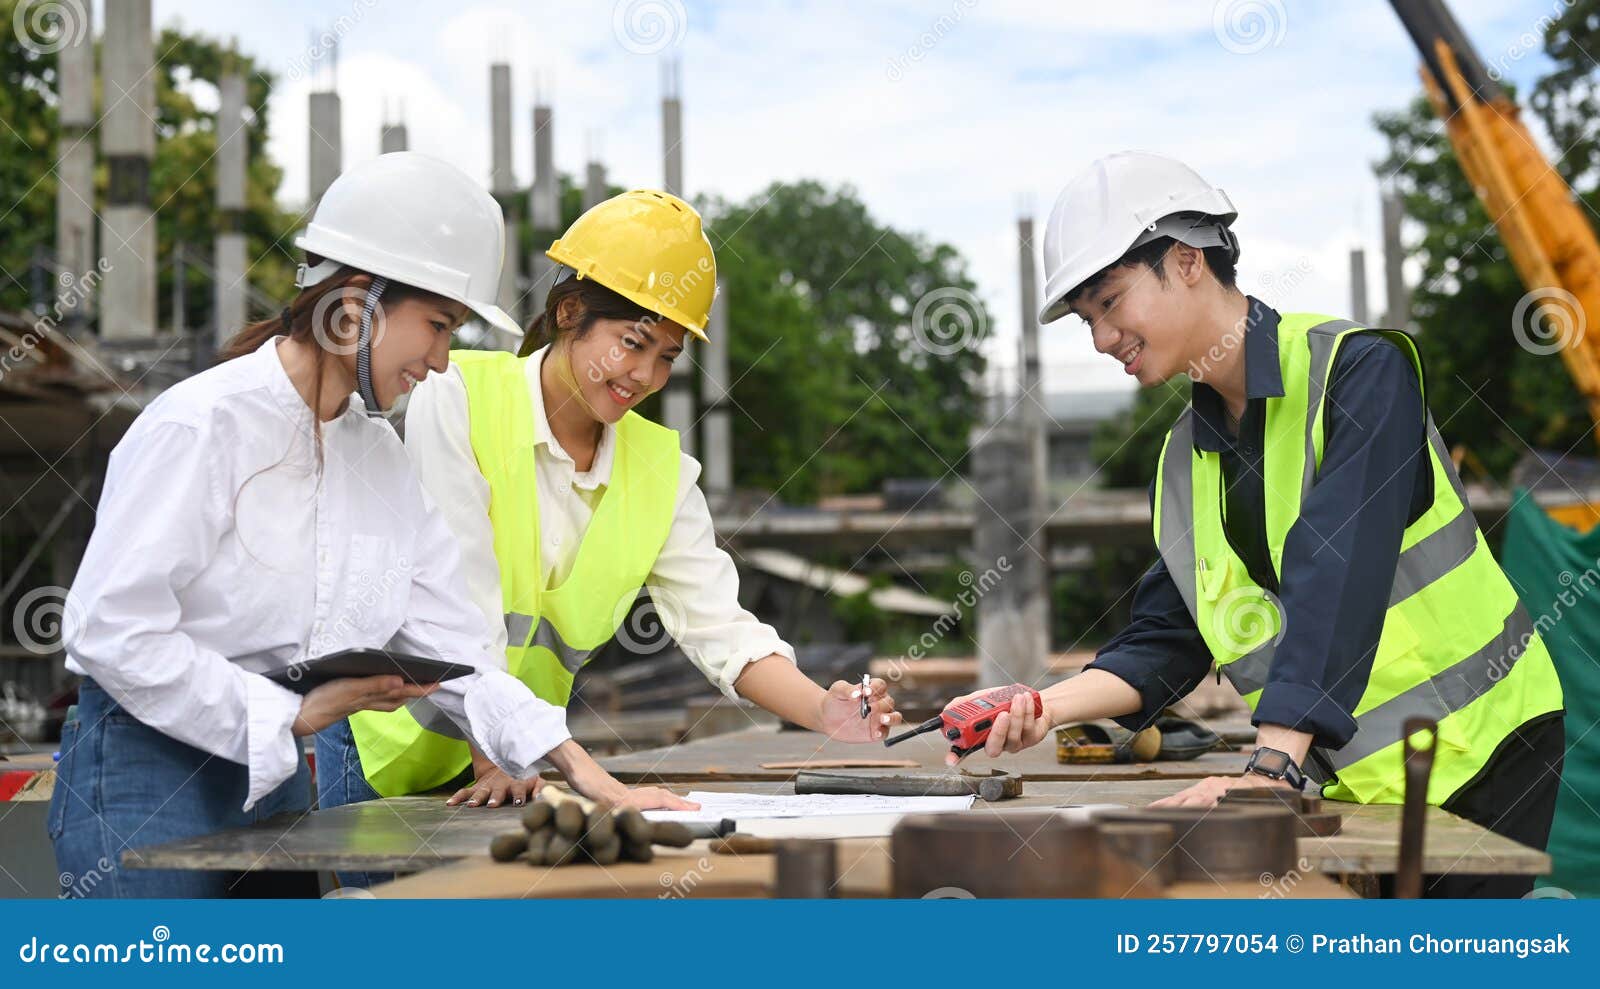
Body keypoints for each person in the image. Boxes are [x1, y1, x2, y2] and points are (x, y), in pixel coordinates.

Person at [948, 151, 1564, 898]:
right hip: (1358, 780)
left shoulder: (1359, 373)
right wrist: (1037, 708)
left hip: (1489, 749)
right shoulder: (1182, 460)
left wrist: (1270, 767)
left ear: (1184, 261)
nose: (1102, 338)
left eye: (1110, 302)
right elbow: (1165, 638)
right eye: (1087, 320)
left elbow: (1339, 569)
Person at [48, 152, 603, 897]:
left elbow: (457, 647)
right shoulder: (201, 424)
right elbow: (112, 629)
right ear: (354, 306)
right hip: (147, 768)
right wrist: (295, 711)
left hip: (272, 772)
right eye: (437, 326)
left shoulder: (378, 457)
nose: (442, 362)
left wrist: (584, 770)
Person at [316, 190, 903, 817]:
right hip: (380, 737)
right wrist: (500, 754)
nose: (645, 376)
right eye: (632, 342)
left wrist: (822, 711)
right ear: (570, 313)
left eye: (667, 357)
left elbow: (720, 628)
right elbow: (461, 595)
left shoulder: (662, 471)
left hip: (518, 756)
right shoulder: (457, 395)